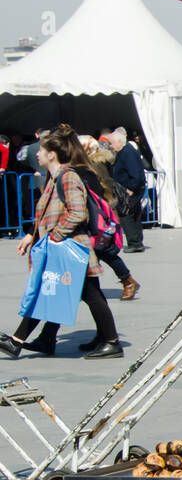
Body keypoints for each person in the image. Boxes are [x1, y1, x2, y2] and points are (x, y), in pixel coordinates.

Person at [0, 125, 122, 359]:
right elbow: (46, 213)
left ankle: (111, 341)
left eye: (41, 150)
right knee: (53, 290)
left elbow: (77, 212)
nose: (36, 154)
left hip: (71, 248)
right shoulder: (56, 176)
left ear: (52, 154)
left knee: (87, 294)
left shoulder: (68, 177)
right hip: (64, 248)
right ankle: (27, 340)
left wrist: (55, 236)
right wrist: (31, 235)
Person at [79, 136, 140, 301]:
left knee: (104, 251)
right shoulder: (89, 165)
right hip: (97, 213)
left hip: (99, 214)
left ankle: (127, 280)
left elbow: (97, 191)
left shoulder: (93, 166)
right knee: (97, 252)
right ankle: (122, 282)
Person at [108, 127, 145, 253]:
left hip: (130, 189)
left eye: (112, 143)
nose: (111, 146)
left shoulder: (128, 152)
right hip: (131, 188)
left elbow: (135, 172)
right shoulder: (126, 151)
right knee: (134, 214)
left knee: (126, 215)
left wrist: (131, 188)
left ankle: (134, 243)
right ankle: (137, 241)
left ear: (119, 142)